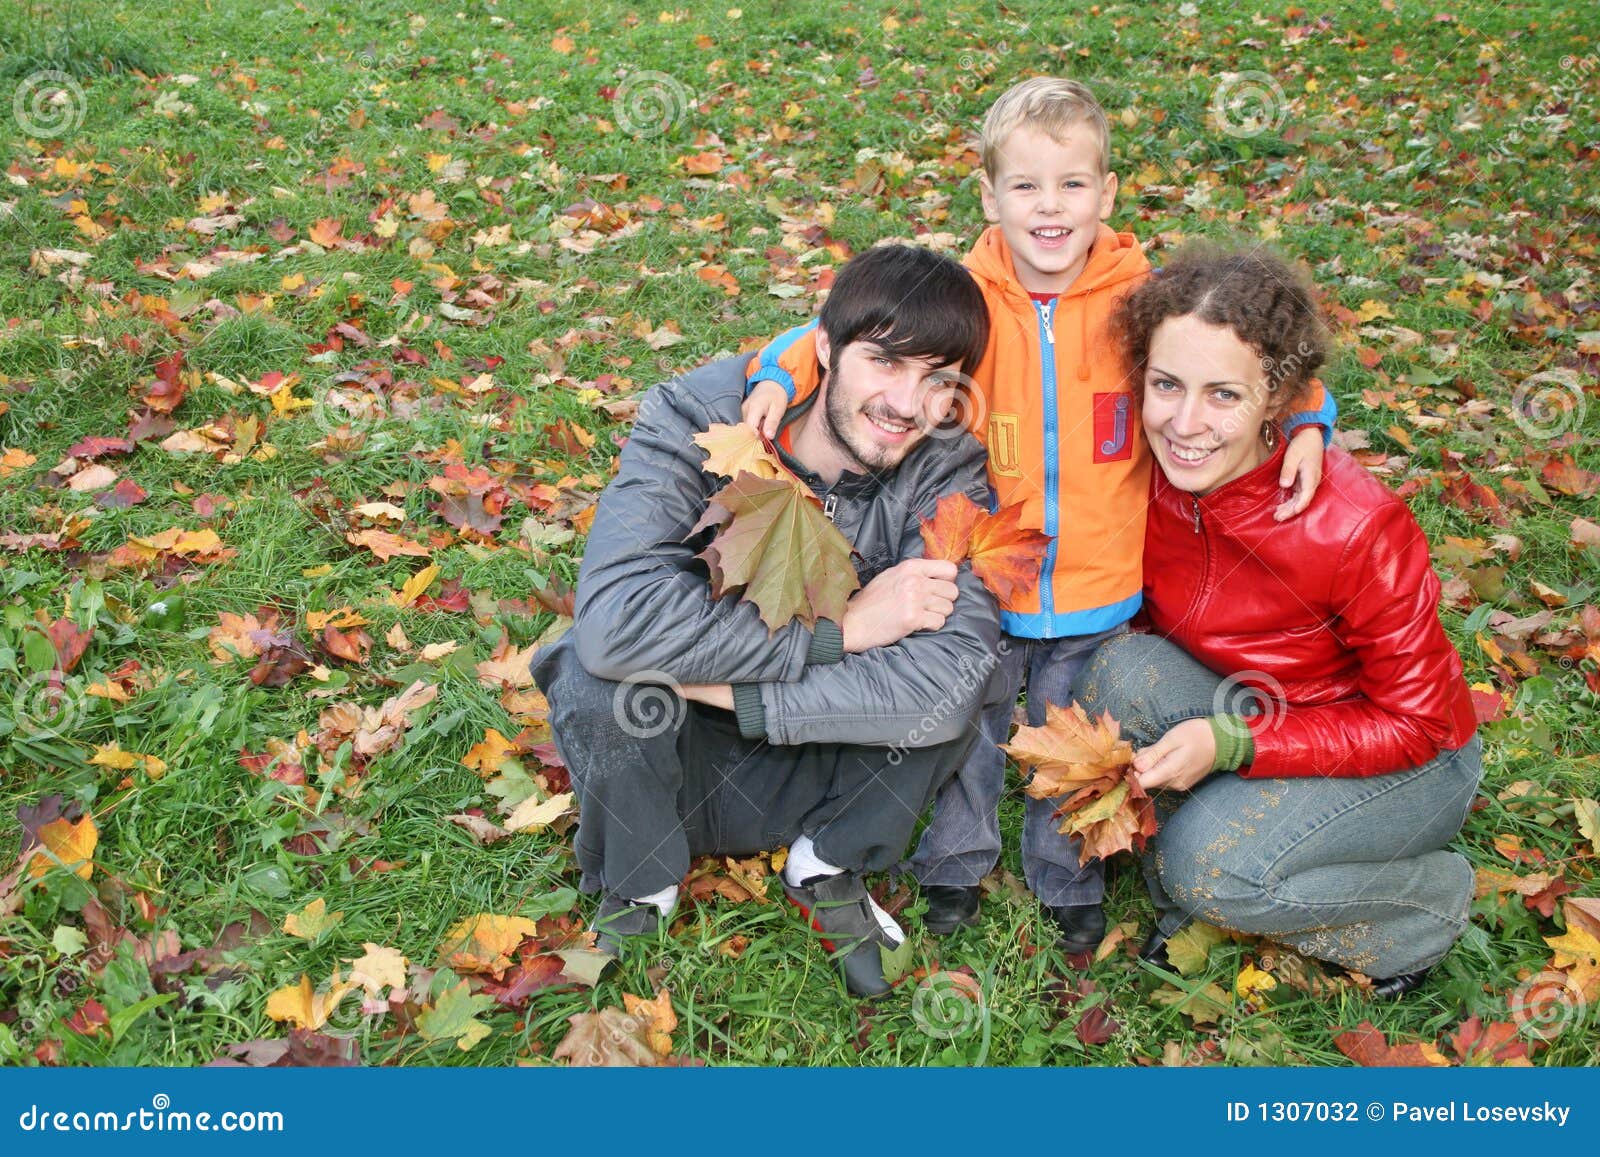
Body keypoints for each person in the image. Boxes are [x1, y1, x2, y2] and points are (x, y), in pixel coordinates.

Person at [739, 78, 1338, 952]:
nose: (1049, 208)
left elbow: (1252, 350)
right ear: (990, 196)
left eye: (1071, 185)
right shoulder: (969, 297)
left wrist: (1310, 418)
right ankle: (954, 867)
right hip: (983, 576)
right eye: (1025, 187)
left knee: (1074, 739)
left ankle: (1068, 878)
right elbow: (839, 329)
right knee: (968, 732)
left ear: (1107, 193)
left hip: (1099, 583)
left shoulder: (1146, 300)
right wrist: (777, 376)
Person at [532, 244, 1002, 999]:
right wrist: (838, 631)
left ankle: (827, 859)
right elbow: (617, 623)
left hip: (831, 751)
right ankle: (645, 878)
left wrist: (721, 686)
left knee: (967, 677)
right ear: (824, 348)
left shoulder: (947, 469)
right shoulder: (698, 417)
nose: (908, 405)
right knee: (597, 674)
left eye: (939, 380)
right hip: (673, 756)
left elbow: (947, 679)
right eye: (885, 362)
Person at [1070, 243, 1482, 998]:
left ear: (1280, 398)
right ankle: (1188, 902)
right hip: (1263, 698)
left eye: (1224, 395)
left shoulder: (1357, 527)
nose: (1185, 423)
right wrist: (787, 365)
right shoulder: (1145, 470)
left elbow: (1418, 725)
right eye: (1166, 385)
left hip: (1409, 761)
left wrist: (1233, 740)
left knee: (1209, 862)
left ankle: (1424, 907)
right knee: (1115, 673)